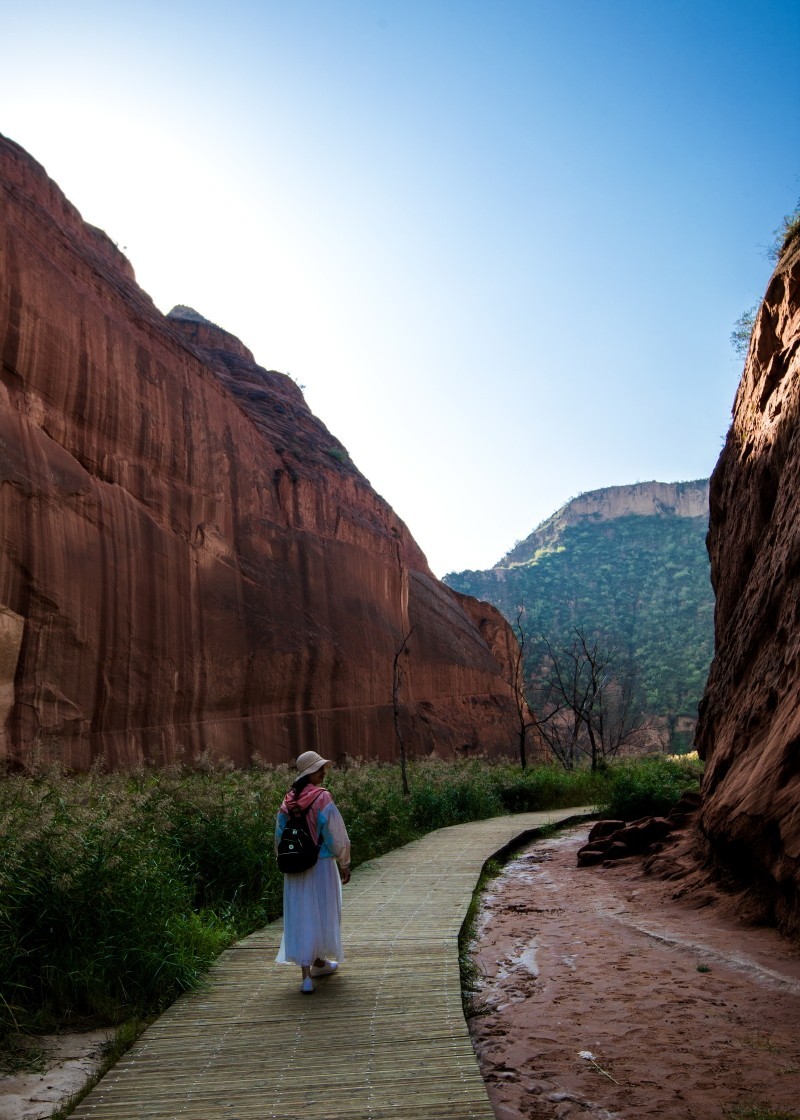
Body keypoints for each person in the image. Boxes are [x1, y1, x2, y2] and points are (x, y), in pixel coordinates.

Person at [275, 750, 351, 993]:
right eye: (320, 770)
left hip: (295, 868)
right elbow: (336, 833)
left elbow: (279, 836)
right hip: (320, 865)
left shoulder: (288, 800)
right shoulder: (322, 798)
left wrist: (285, 860)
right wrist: (344, 862)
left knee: (302, 914)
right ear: (311, 773)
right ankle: (319, 961)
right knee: (322, 911)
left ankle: (308, 973)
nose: (323, 773)